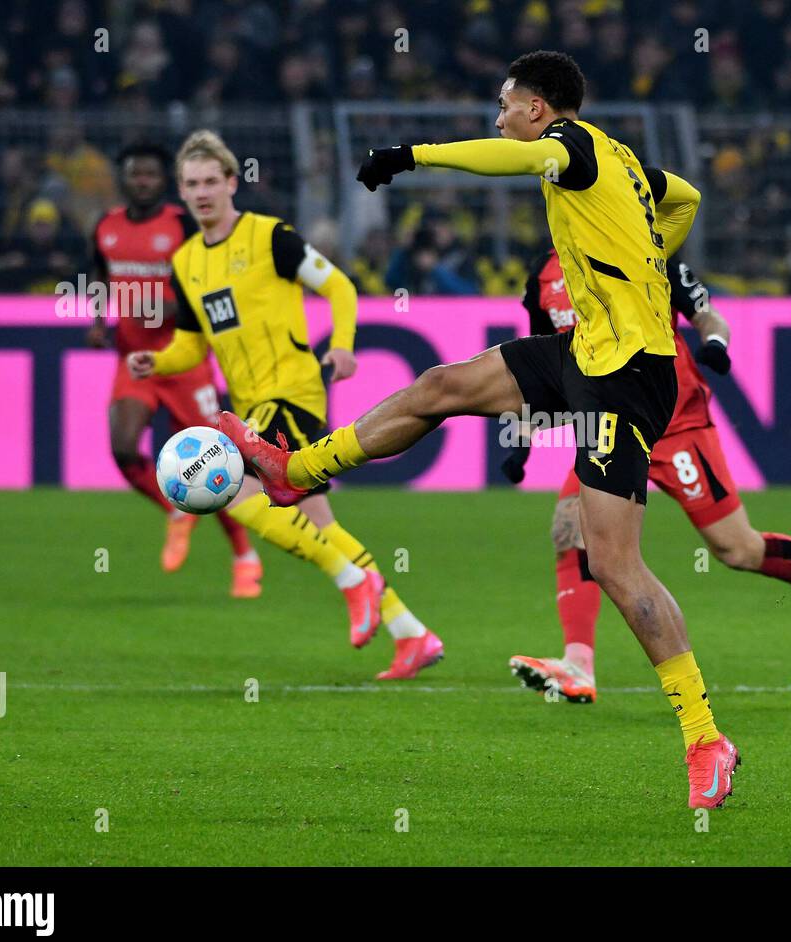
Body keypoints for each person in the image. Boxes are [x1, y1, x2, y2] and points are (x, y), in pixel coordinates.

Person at [218, 51, 739, 808]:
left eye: (505, 105)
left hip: (625, 375)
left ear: (538, 110)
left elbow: (505, 159)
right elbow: (684, 196)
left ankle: (705, 737)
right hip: (588, 348)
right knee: (440, 387)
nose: (499, 117)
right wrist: (649, 257)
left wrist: (410, 155)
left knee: (615, 565)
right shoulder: (625, 163)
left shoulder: (573, 145)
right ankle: (294, 470)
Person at [503, 249, 791, 703]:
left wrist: (716, 345)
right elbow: (544, 365)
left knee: (737, 548)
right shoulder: (542, 279)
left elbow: (707, 317)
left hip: (674, 421)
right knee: (573, 534)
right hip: (608, 425)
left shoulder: (643, 247)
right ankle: (577, 665)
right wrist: (522, 435)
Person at [127, 131, 441, 678]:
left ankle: (353, 580)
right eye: (191, 184)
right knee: (318, 522)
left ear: (231, 183)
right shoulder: (185, 263)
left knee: (229, 490)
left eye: (210, 181)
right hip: (249, 403)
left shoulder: (270, 237)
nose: (202, 192)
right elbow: (192, 343)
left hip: (290, 393)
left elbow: (340, 286)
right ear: (181, 192)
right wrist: (157, 362)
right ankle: (411, 634)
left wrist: (342, 344)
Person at [87, 141, 258, 595]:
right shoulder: (106, 227)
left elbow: (211, 279)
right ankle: (176, 510)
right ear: (124, 177)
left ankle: (244, 555)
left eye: (150, 174)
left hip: (185, 360)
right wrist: (100, 322)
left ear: (165, 181)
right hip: (136, 360)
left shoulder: (183, 226)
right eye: (134, 173)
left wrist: (169, 306)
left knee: (216, 468)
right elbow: (101, 279)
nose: (141, 180)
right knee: (123, 449)